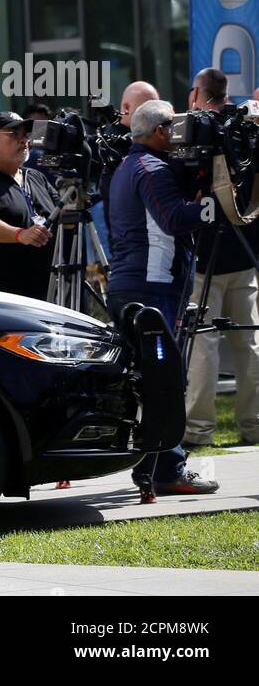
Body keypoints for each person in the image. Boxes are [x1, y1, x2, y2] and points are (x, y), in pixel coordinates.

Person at [106, 99, 219, 494]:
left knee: (151, 380)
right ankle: (168, 469)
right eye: (174, 126)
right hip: (152, 290)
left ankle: (155, 467)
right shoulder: (152, 169)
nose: (180, 133)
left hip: (130, 286)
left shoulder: (127, 166)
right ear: (159, 132)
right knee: (165, 380)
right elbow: (173, 218)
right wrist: (211, 207)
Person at [185, 68, 259, 446]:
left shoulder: (193, 131)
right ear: (227, 95)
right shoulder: (245, 129)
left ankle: (198, 431)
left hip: (205, 258)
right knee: (249, 345)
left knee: (204, 344)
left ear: (195, 94)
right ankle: (255, 426)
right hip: (244, 253)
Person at [0, 111, 60, 301]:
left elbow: (64, 211)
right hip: (7, 297)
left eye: (26, 135)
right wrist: (21, 234)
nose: (24, 140)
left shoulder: (36, 176)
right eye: (14, 134)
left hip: (53, 290)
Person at [99, 81, 159, 230]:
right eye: (146, 110)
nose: (154, 116)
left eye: (156, 109)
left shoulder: (153, 137)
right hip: (127, 233)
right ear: (126, 108)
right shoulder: (110, 145)